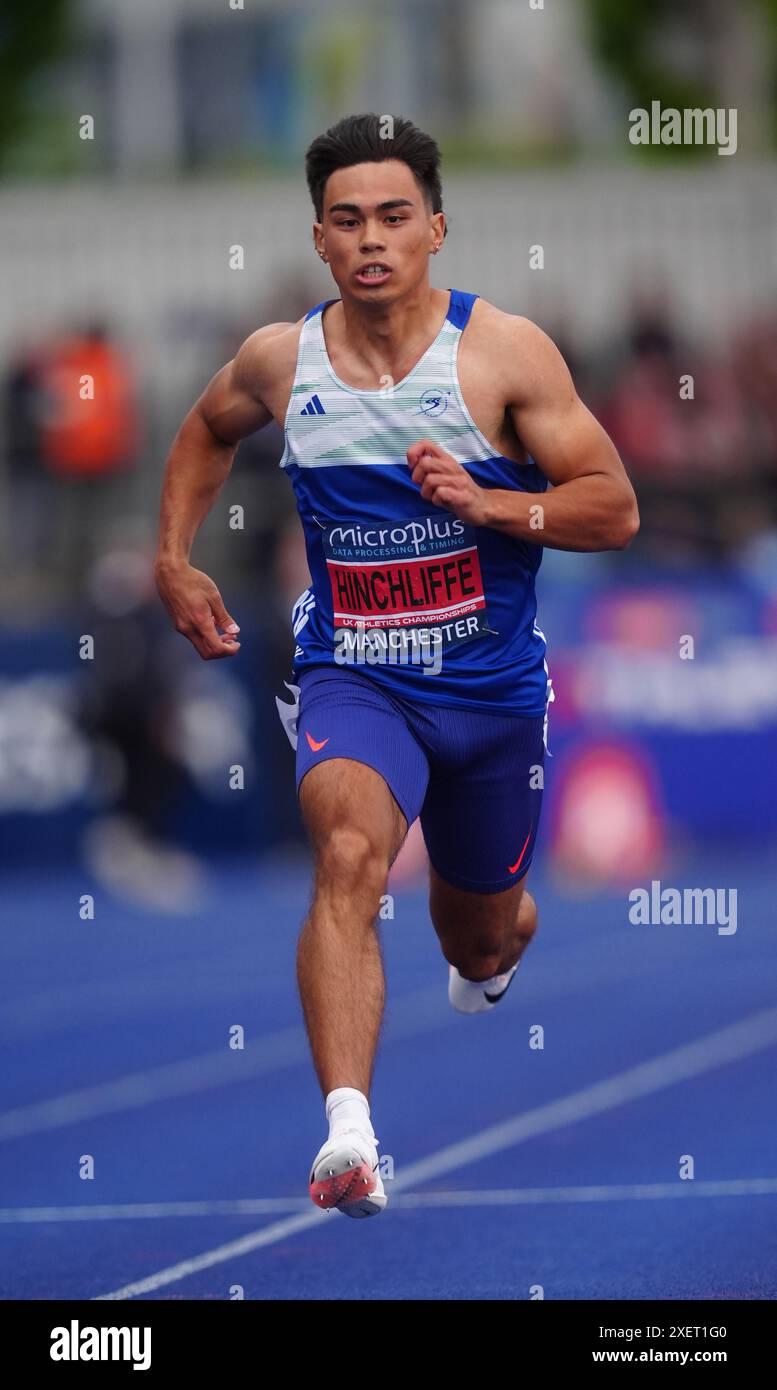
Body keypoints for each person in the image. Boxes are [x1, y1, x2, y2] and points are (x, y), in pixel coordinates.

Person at [154, 113, 639, 1220]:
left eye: (394, 216)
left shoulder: (506, 353)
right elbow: (201, 432)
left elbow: (614, 509)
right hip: (355, 673)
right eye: (347, 220)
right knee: (346, 856)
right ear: (320, 238)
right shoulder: (284, 359)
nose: (371, 239)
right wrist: (175, 560)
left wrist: (490, 499)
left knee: (479, 928)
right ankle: (351, 1136)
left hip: (490, 691)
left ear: (437, 228)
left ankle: (496, 947)